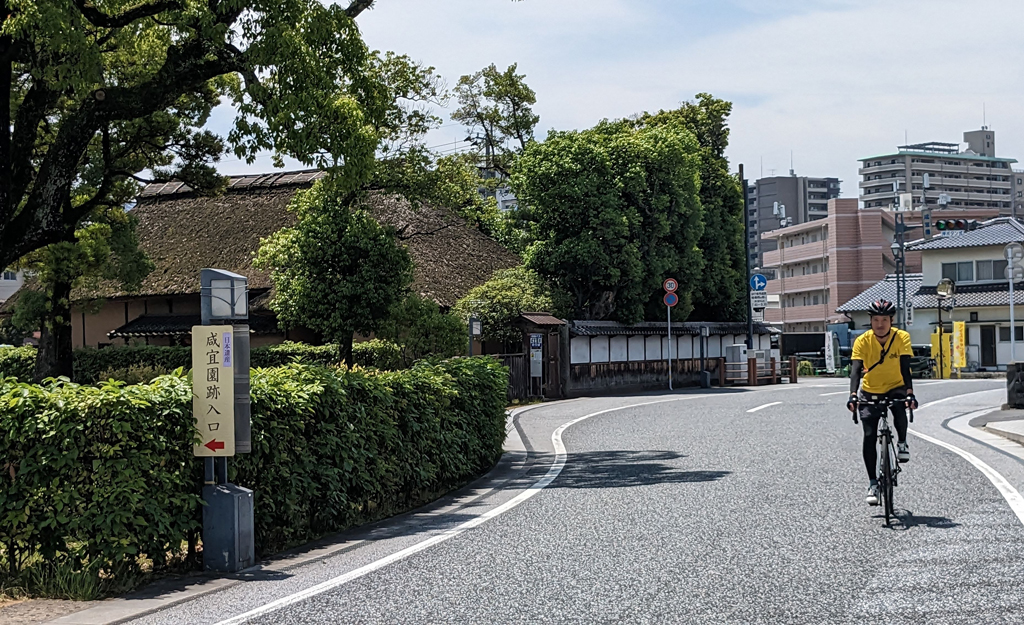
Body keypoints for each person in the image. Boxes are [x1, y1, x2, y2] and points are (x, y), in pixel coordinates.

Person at [846, 299, 918, 506]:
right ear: (870, 320)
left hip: (896, 385)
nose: (880, 324)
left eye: (884, 320)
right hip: (870, 390)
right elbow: (856, 370)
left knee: (899, 406)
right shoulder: (862, 340)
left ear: (891, 320)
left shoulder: (902, 337)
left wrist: (910, 393)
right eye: (876, 319)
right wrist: (853, 395)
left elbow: (906, 367)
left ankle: (902, 442)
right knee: (869, 435)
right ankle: (873, 484)